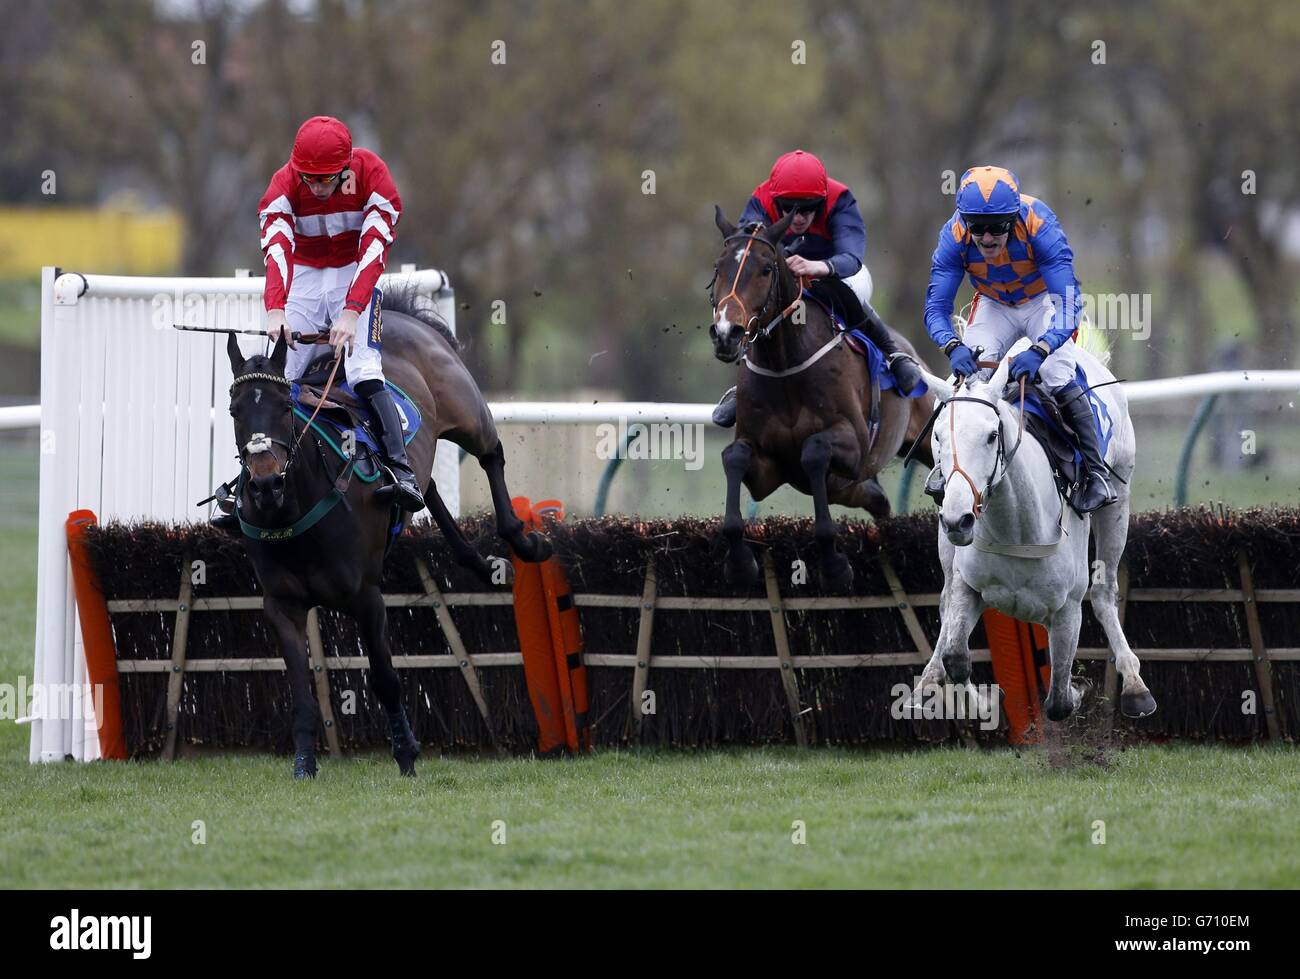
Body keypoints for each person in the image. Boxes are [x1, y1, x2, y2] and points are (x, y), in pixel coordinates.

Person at [214, 115, 423, 530]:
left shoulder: (373, 175)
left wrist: (351, 311)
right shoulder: (282, 187)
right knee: (279, 378)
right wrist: (276, 309)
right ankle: (249, 483)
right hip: (305, 275)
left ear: (346, 168)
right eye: (308, 179)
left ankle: (402, 472)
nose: (317, 189)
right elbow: (276, 251)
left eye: (325, 180)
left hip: (354, 269)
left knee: (363, 370)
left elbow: (374, 251)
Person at [921, 165, 1117, 513]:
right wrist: (952, 346)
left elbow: (1068, 302)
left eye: (996, 227)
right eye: (976, 227)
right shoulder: (953, 234)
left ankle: (1095, 473)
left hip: (1043, 301)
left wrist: (1041, 348)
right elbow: (935, 308)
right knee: (963, 385)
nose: (986, 238)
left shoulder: (1039, 223)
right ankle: (946, 468)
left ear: (1013, 219)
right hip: (993, 303)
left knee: (1056, 374)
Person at [712, 149, 923, 427]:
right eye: (788, 207)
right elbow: (747, 249)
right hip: (783, 273)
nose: (798, 217)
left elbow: (852, 258)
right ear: (776, 200)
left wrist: (819, 266)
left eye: (808, 207)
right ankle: (745, 385)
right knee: (759, 298)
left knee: (851, 290)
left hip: (836, 272)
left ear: (822, 201)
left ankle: (893, 354)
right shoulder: (762, 199)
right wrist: (783, 265)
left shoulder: (841, 200)